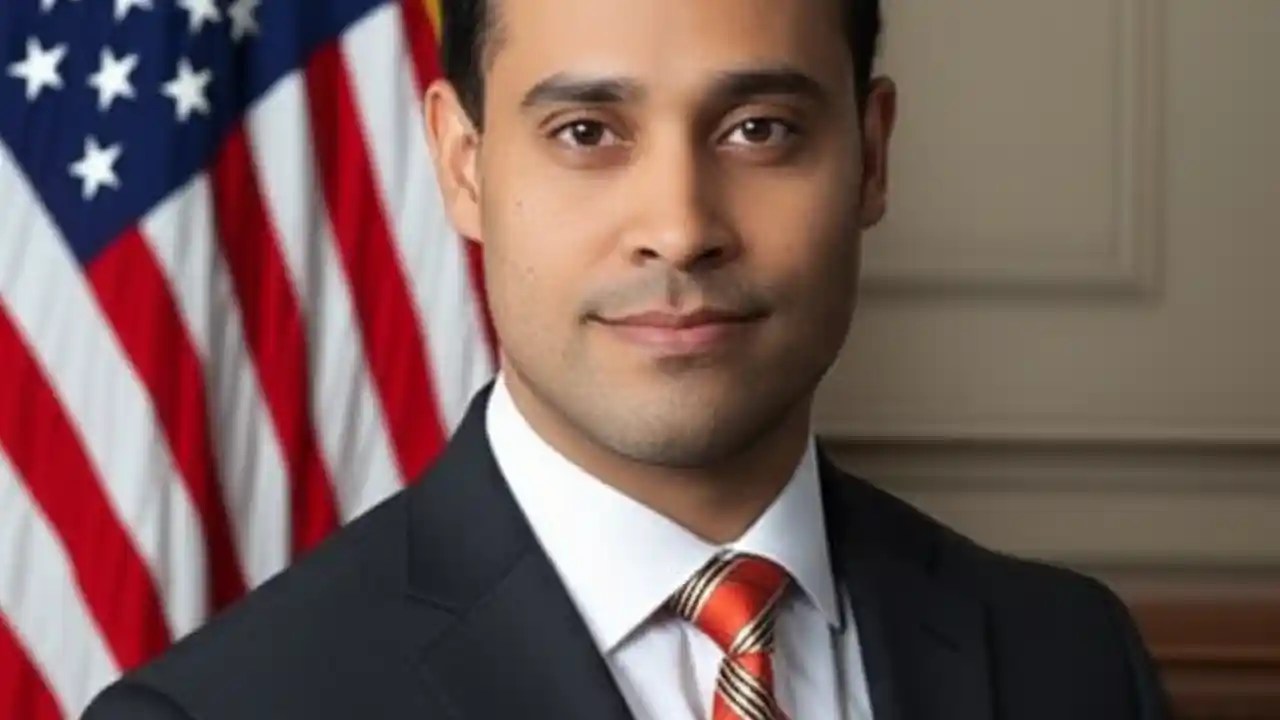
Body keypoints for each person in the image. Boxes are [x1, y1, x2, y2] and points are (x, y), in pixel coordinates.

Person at [84, 0, 1172, 717]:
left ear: (870, 157)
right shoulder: (224, 713)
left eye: (757, 129)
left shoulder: (1069, 662)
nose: (679, 225)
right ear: (462, 168)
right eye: (585, 134)